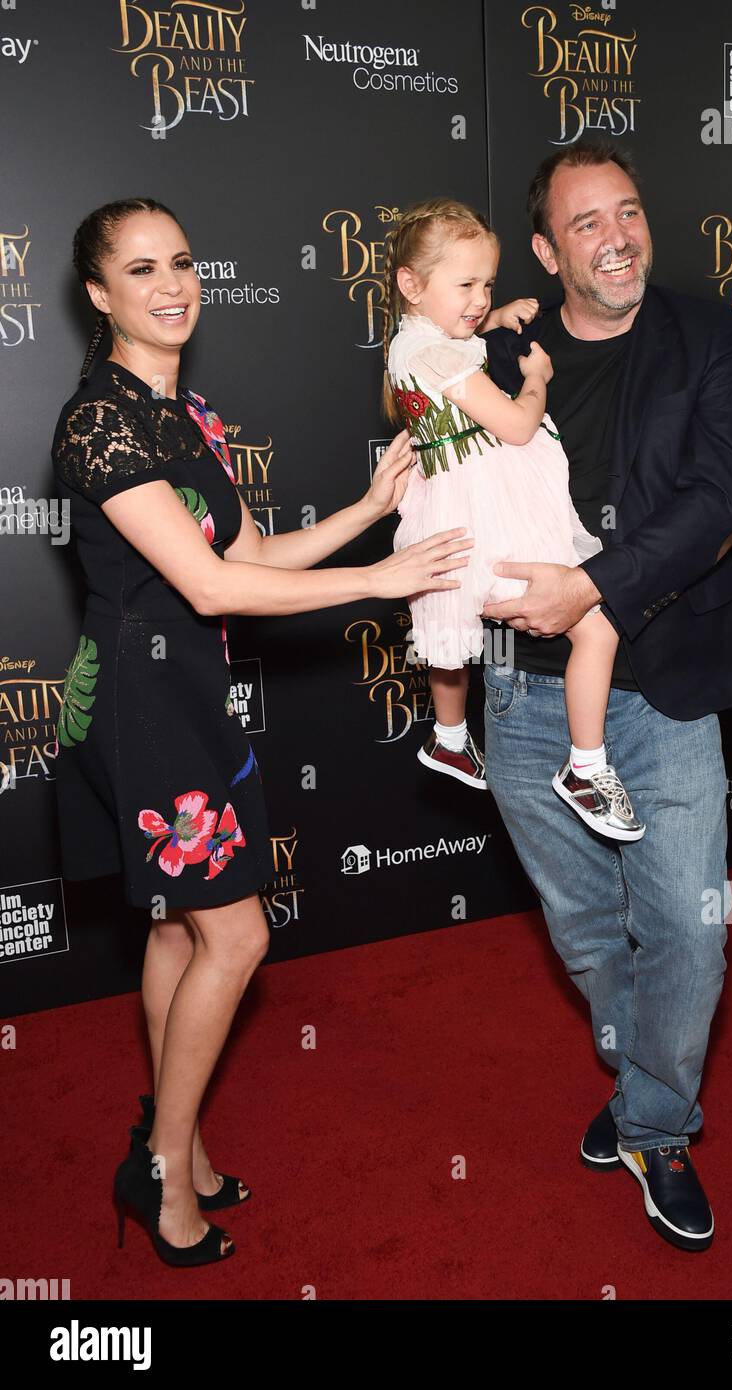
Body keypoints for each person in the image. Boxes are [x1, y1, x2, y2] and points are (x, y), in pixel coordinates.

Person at [51, 198, 471, 1267]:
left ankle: (172, 1150)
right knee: (235, 934)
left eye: (182, 260)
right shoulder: (97, 420)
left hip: (192, 694)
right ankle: (162, 1172)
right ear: (100, 296)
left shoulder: (186, 413)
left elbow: (255, 551)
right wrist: (379, 578)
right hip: (142, 705)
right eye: (140, 269)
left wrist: (369, 511)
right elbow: (203, 583)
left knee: (176, 930)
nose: (171, 284)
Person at [479, 139, 732, 1252]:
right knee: (588, 926)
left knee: (689, 935)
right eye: (587, 224)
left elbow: (723, 490)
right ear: (550, 250)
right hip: (521, 694)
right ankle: (639, 1073)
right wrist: (485, 332)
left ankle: (656, 1123)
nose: (617, 237)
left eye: (629, 214)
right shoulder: (503, 347)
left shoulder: (710, 337)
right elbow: (426, 424)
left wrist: (593, 587)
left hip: (661, 688)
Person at [380, 197, 644, 840]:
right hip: (490, 515)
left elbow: (449, 337)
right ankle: (585, 765)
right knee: (598, 627)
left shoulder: (415, 342)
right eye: (465, 284)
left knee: (451, 620)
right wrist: (536, 379)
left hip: (456, 508)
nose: (478, 298)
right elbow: (518, 426)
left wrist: (491, 317)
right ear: (411, 284)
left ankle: (448, 735)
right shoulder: (441, 357)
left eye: (487, 284)